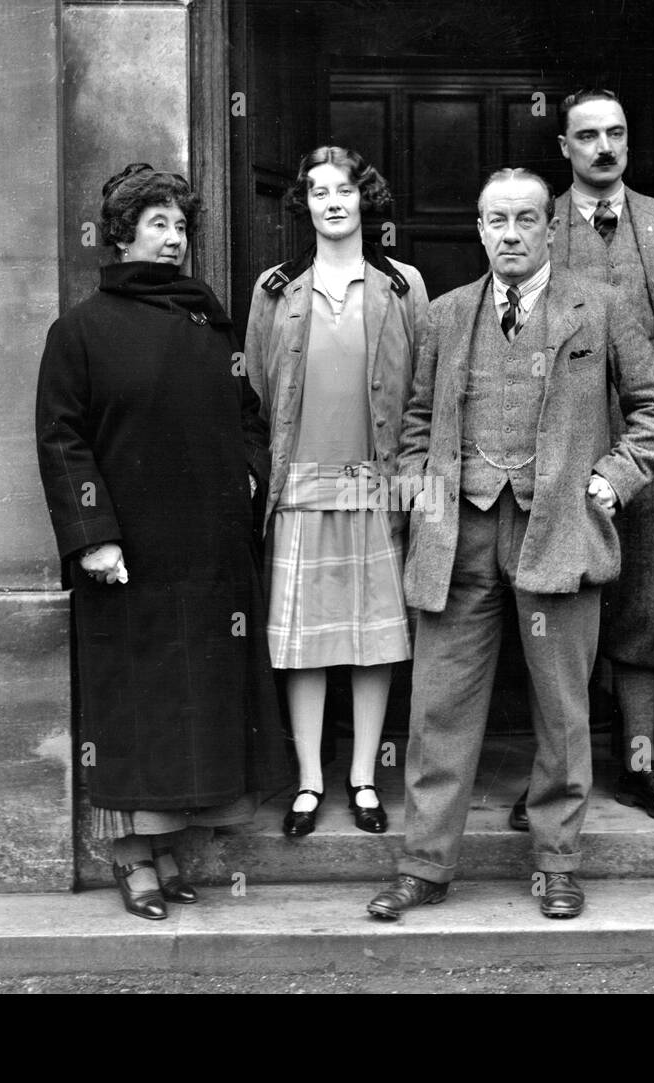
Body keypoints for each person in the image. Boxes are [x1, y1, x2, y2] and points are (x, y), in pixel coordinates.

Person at [366, 169, 654, 921]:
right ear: (479, 229)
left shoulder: (599, 309)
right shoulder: (444, 316)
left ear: (549, 228)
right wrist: (421, 489)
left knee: (563, 712)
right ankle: (424, 866)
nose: (510, 233)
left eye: (526, 220)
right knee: (438, 708)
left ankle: (557, 866)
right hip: (460, 537)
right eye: (496, 220)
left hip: (558, 532)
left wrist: (613, 478)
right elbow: (415, 423)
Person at [36, 163, 289, 920]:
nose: (174, 238)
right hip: (127, 558)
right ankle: (131, 857)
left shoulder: (208, 322)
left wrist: (248, 476)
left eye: (181, 227)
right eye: (157, 224)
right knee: (135, 704)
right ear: (120, 235)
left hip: (207, 552)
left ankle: (171, 845)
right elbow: (62, 440)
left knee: (195, 698)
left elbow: (249, 414)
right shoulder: (78, 330)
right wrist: (94, 538)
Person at [508, 88, 654, 833]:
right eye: (587, 135)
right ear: (563, 146)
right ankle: (555, 779)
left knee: (646, 605)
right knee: (555, 609)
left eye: (616, 133)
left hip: (645, 446)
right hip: (558, 443)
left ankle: (644, 765)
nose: (603, 147)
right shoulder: (540, 223)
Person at [245, 146, 429, 837]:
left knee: (373, 637)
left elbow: (422, 388)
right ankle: (309, 781)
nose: (331, 202)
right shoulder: (276, 289)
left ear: (364, 197)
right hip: (300, 483)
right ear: (304, 204)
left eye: (343, 190)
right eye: (317, 192)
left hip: (374, 484)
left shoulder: (404, 285)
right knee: (305, 641)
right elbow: (263, 388)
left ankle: (362, 778)